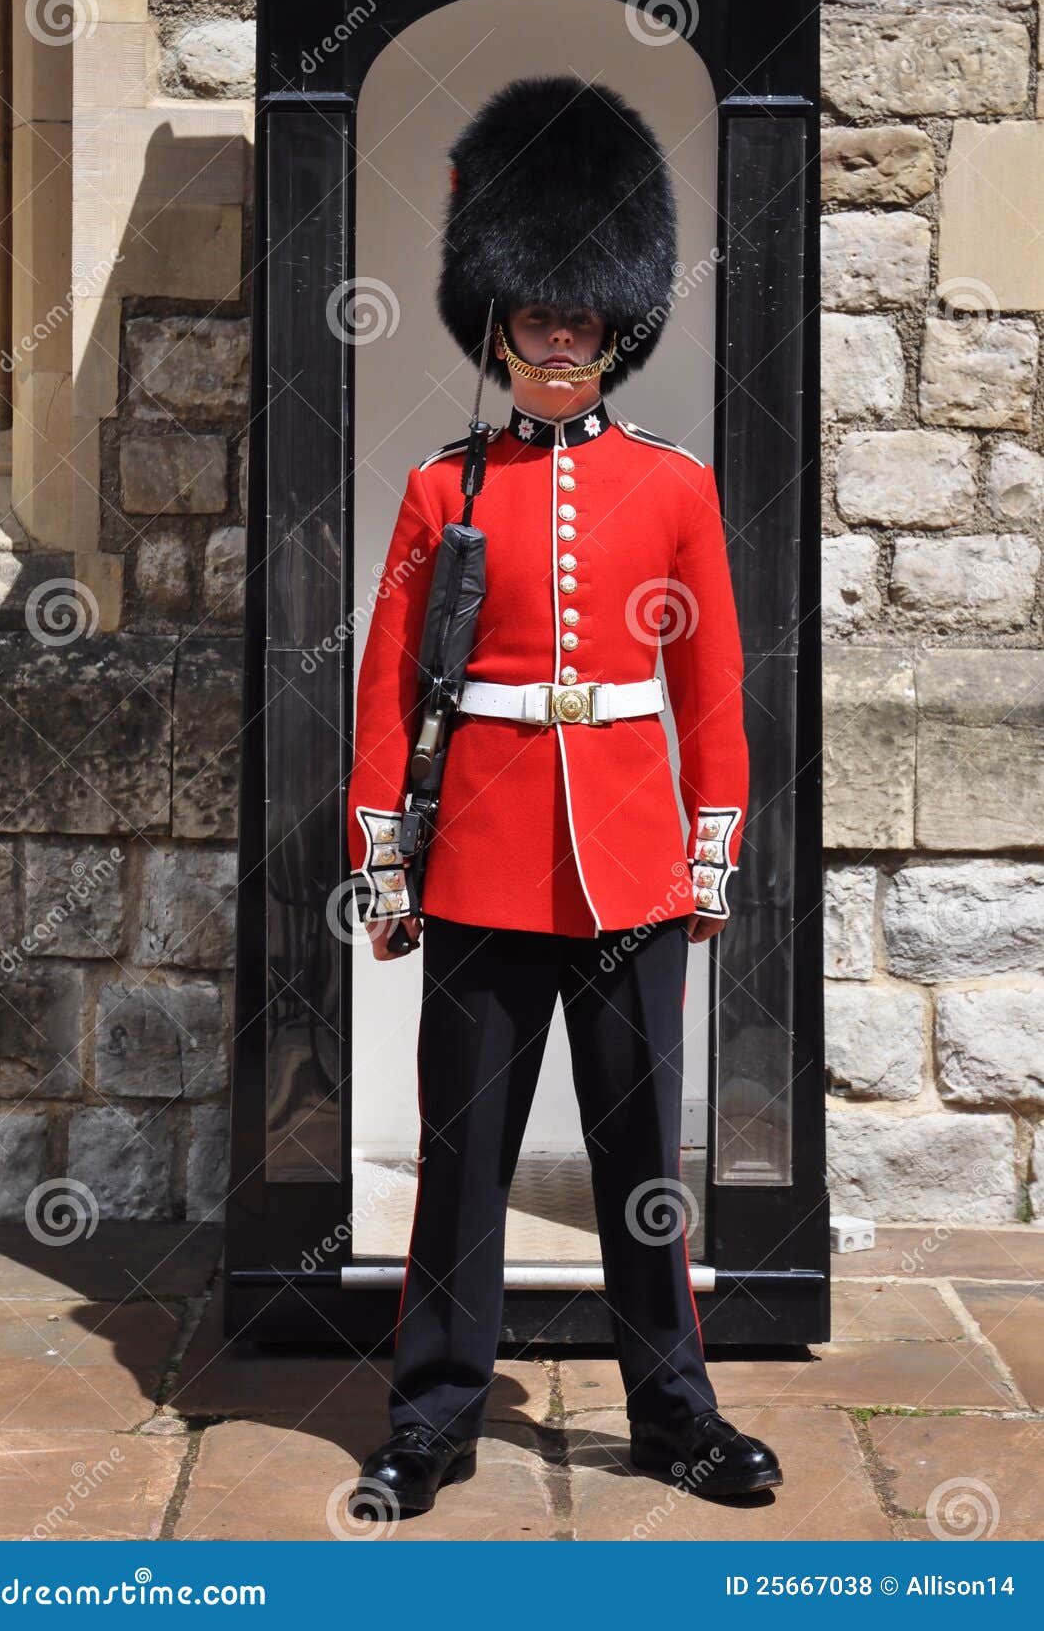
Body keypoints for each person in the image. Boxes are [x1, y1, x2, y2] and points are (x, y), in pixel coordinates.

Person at [345, 75, 782, 1517]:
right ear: (500, 317)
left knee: (638, 1160)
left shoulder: (672, 488)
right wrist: (383, 857)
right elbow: (388, 685)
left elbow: (710, 686)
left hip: (630, 863)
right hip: (476, 856)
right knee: (464, 1164)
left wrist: (708, 847)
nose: (557, 336)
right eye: (537, 314)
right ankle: (431, 1416)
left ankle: (672, 1410)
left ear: (615, 326)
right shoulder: (438, 490)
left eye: (581, 316)